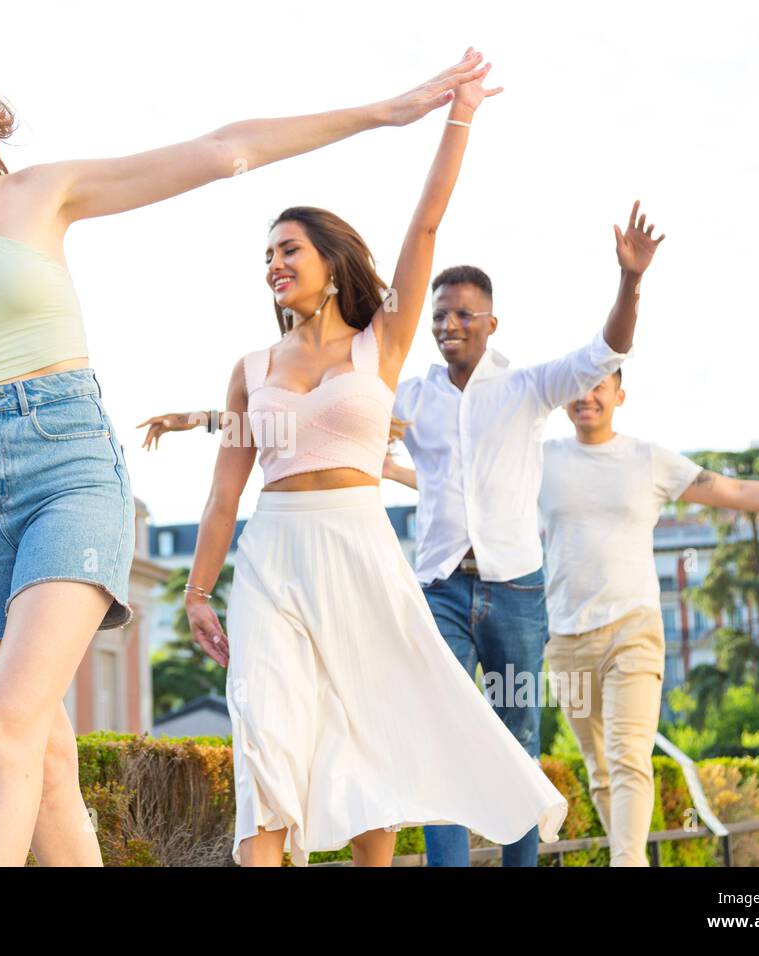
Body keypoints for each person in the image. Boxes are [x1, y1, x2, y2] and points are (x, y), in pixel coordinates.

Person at [0, 32, 487, 867]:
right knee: (41, 761)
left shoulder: (38, 196)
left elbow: (221, 149)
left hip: (68, 471)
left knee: (0, 732)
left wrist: (384, 112)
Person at [183, 51, 568, 868]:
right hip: (271, 555)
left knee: (374, 738)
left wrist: (457, 113)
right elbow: (223, 498)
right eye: (266, 257)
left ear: (329, 259)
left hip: (359, 550)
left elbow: (426, 223)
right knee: (265, 738)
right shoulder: (249, 370)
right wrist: (197, 592)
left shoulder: (382, 342)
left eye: (288, 249)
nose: (275, 265)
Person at [381, 202, 660, 865]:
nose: (448, 325)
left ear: (490, 323)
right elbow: (343, 418)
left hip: (516, 594)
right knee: (440, 731)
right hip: (441, 590)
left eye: (462, 314)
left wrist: (629, 281)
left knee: (515, 738)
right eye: (439, 315)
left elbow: (607, 351)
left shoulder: (527, 389)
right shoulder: (412, 398)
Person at [538, 368, 759, 866]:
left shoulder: (647, 460)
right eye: (578, 386)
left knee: (627, 759)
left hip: (632, 631)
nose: (587, 396)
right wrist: (389, 475)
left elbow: (733, 492)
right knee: (598, 770)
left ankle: (627, 863)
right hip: (566, 639)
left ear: (619, 394)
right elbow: (477, 490)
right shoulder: (541, 460)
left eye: (599, 386)